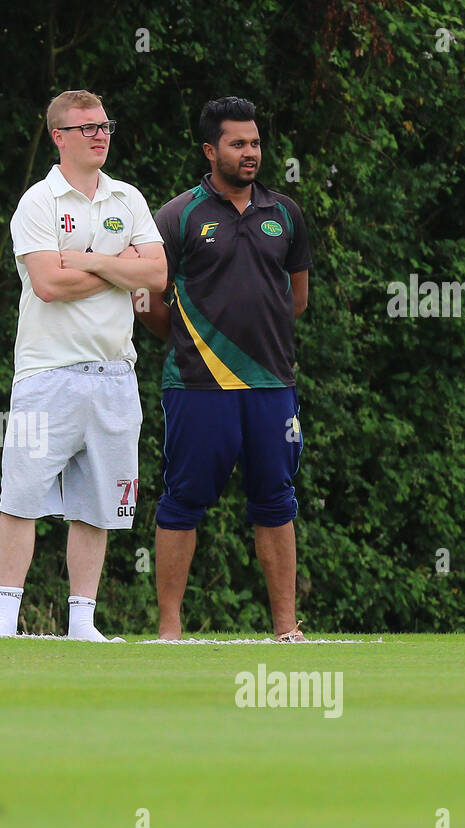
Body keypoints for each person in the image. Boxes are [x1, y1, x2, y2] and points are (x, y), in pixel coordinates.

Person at [0, 89, 165, 642]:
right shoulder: (38, 203)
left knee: (99, 505)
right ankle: (5, 622)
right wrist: (118, 267)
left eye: (105, 125)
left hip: (114, 374)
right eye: (87, 128)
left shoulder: (127, 198)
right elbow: (48, 283)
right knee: (22, 496)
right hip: (48, 373)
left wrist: (86, 260)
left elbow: (156, 275)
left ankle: (82, 622)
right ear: (59, 137)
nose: (100, 135)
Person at [139, 96, 312, 642]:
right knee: (183, 501)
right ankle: (170, 630)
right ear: (210, 150)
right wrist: (193, 342)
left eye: (255, 142)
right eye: (237, 143)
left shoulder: (284, 212)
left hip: (271, 386)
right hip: (197, 386)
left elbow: (297, 299)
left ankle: (286, 629)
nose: (250, 153)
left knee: (276, 502)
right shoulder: (177, 214)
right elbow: (147, 300)